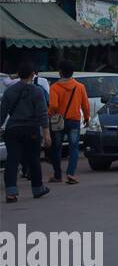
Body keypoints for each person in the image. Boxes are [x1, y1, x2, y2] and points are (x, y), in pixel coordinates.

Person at [1, 63, 51, 202]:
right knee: (34, 159)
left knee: (12, 160)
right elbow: (42, 113)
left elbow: (2, 113)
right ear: (32, 75)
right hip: (31, 129)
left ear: (18, 74)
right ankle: (37, 188)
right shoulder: (37, 91)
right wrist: (46, 133)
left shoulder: (9, 91)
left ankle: (11, 192)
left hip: (13, 129)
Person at [48, 61, 92, 185]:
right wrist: (87, 117)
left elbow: (53, 106)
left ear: (60, 72)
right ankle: (70, 173)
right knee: (74, 148)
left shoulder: (54, 88)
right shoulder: (80, 87)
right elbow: (85, 105)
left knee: (57, 148)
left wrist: (51, 115)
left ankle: (57, 175)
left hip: (58, 121)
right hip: (74, 120)